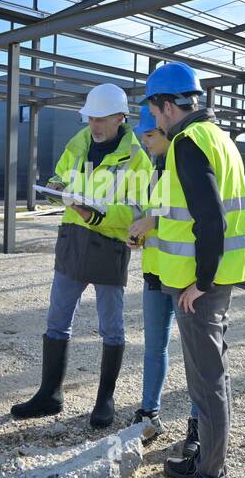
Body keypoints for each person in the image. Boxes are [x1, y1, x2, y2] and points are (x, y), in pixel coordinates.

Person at [137, 63, 245, 478]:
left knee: (207, 386)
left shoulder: (187, 143)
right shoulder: (219, 137)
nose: (154, 120)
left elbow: (212, 221)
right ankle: (203, 463)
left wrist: (202, 281)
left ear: (168, 106)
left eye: (153, 109)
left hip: (200, 289)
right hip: (216, 280)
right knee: (213, 378)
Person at [11, 83, 153, 428]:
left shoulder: (138, 159)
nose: (95, 126)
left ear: (121, 117)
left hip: (109, 246)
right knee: (57, 320)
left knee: (112, 328)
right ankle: (50, 394)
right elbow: (61, 177)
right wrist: (55, 189)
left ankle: (105, 399)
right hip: (73, 240)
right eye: (91, 118)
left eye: (102, 119)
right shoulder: (78, 144)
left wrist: (99, 215)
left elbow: (140, 212)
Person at [125, 104, 191, 441]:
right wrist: (140, 232)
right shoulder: (154, 170)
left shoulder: (188, 165)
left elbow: (196, 218)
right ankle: (149, 412)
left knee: (196, 356)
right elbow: (157, 216)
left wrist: (155, 222)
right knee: (155, 348)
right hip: (155, 272)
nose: (145, 141)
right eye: (142, 136)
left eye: (150, 135)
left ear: (167, 130)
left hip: (183, 277)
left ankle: (198, 424)